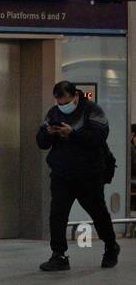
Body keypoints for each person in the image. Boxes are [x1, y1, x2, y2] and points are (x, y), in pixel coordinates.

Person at [37, 81, 119, 271]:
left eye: (65, 102)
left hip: (89, 174)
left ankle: (111, 247)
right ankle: (59, 255)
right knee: (57, 214)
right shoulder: (53, 113)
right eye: (59, 102)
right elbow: (41, 142)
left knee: (98, 212)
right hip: (61, 173)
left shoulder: (92, 110)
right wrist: (49, 133)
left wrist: (72, 134)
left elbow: (98, 138)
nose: (62, 106)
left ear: (75, 96)